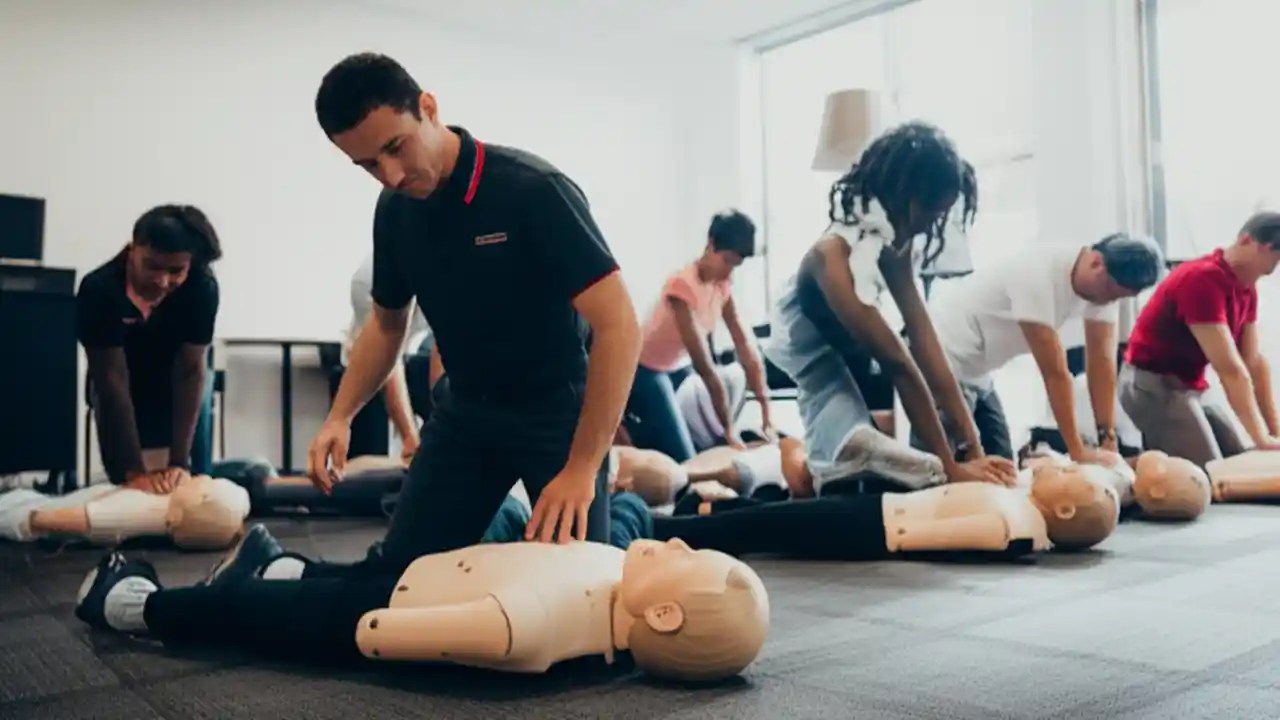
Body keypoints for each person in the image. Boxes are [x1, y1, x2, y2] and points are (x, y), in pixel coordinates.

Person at [305, 51, 640, 578]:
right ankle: (506, 516)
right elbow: (387, 325)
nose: (389, 175)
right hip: (465, 414)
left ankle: (627, 510)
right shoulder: (394, 211)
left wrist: (582, 468)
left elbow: (619, 325)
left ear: (428, 107)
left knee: (576, 593)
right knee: (400, 581)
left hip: (553, 413)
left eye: (396, 147)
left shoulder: (533, 190)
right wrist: (340, 416)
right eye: (368, 165)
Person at [72, 535, 768, 683]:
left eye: (685, 559)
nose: (676, 541)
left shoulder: (550, 621)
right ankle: (276, 565)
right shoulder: (615, 577)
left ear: (667, 618)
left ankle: (130, 603)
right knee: (317, 584)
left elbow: (499, 633)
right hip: (409, 576)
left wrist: (378, 631)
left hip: (385, 609)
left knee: (246, 612)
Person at [761, 121, 1015, 496]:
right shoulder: (831, 258)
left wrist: (971, 447)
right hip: (818, 370)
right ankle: (791, 452)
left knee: (894, 478)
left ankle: (816, 462)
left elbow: (925, 342)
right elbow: (899, 362)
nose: (931, 227)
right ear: (902, 193)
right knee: (867, 466)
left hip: (862, 361)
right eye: (929, 212)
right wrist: (948, 467)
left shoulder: (894, 246)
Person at [926, 233, 1163, 462]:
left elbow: (1102, 363)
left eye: (1119, 297)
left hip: (979, 370)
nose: (1111, 301)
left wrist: (1108, 438)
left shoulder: (1104, 288)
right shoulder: (1037, 273)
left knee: (1002, 466)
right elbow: (1055, 374)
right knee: (950, 466)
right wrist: (1077, 451)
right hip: (945, 353)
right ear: (1096, 262)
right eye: (1111, 292)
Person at [76, 205, 222, 493]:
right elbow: (111, 380)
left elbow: (191, 370)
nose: (163, 281)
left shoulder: (201, 287)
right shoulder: (99, 290)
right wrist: (134, 472)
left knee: (188, 480)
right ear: (133, 249)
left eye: (175, 271)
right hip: (119, 377)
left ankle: (220, 473)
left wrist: (179, 463)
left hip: (177, 376)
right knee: (130, 482)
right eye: (152, 266)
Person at [1120, 211, 1280, 466]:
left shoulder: (1247, 287)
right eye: (1272, 262)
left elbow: (1253, 362)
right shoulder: (1202, 279)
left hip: (1188, 387)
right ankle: (1115, 468)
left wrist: (1273, 434)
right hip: (1151, 386)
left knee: (1240, 459)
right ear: (1247, 241)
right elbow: (1230, 369)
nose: (1265, 275)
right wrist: (1260, 436)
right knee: (1208, 475)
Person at [625, 210, 773, 462]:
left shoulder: (722, 284)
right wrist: (728, 431)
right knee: (686, 458)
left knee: (713, 430)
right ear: (711, 244)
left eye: (736, 265)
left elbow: (744, 344)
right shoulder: (682, 285)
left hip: (676, 368)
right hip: (645, 370)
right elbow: (704, 365)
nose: (729, 272)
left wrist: (765, 411)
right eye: (726, 261)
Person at [336, 253, 437, 462]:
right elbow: (388, 355)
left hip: (413, 355)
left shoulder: (456, 268)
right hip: (369, 365)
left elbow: (445, 344)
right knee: (369, 458)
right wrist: (410, 438)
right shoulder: (371, 277)